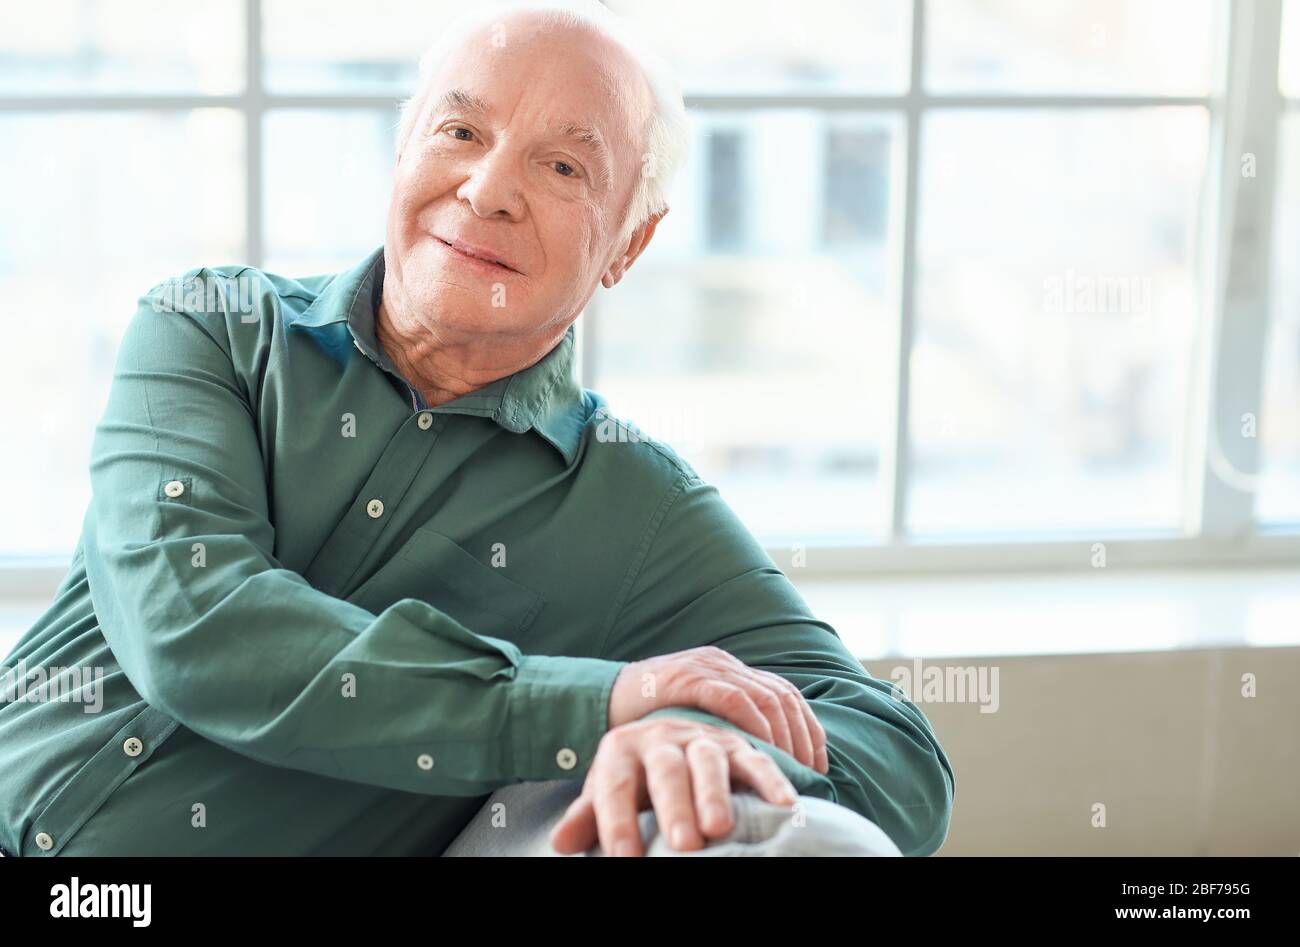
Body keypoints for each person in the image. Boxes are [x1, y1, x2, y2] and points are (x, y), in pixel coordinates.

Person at [0, 0, 953, 858]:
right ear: (404, 144)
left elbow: (899, 756)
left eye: (565, 164)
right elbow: (194, 622)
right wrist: (599, 703)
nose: (489, 188)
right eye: (460, 129)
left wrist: (710, 736)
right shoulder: (210, 325)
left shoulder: (638, 512)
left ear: (631, 240)